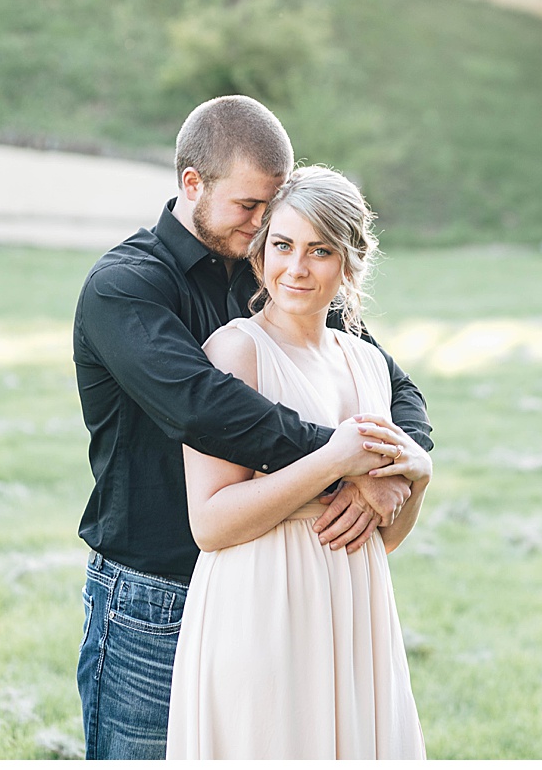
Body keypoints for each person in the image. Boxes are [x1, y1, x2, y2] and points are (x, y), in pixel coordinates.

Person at [74, 96, 431, 759]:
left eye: (276, 207)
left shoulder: (271, 269)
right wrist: (345, 459)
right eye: (251, 208)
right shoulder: (126, 288)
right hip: (153, 595)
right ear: (192, 185)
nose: (267, 225)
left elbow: (396, 387)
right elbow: (209, 410)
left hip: (283, 591)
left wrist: (403, 466)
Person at [167, 166, 430, 758]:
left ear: (348, 262)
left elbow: (384, 537)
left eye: (320, 251)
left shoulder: (365, 362)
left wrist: (418, 478)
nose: (297, 268)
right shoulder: (238, 351)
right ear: (260, 256)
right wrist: (332, 458)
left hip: (356, 606)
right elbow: (209, 523)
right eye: (283, 246)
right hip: (262, 608)